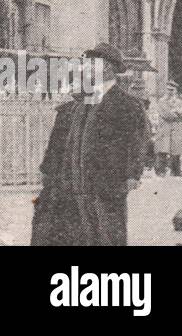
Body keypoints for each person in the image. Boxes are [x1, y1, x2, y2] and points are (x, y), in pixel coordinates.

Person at [78, 43, 150, 246]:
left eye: (94, 63)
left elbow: (137, 141)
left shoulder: (128, 103)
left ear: (108, 67)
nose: (89, 68)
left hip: (112, 179)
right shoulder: (89, 99)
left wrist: (133, 174)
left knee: (112, 232)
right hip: (87, 179)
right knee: (90, 235)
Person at [31, 65, 93, 246]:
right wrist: (47, 170)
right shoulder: (67, 112)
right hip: (64, 176)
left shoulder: (91, 113)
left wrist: (47, 170)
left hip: (74, 177)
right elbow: (54, 145)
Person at [155, 81, 182, 176]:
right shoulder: (161, 101)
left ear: (176, 91)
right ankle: (160, 171)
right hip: (165, 129)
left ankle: (175, 171)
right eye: (168, 90)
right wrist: (176, 113)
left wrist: (177, 112)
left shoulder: (179, 102)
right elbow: (166, 115)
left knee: (176, 151)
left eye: (172, 90)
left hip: (176, 129)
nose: (170, 92)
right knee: (162, 151)